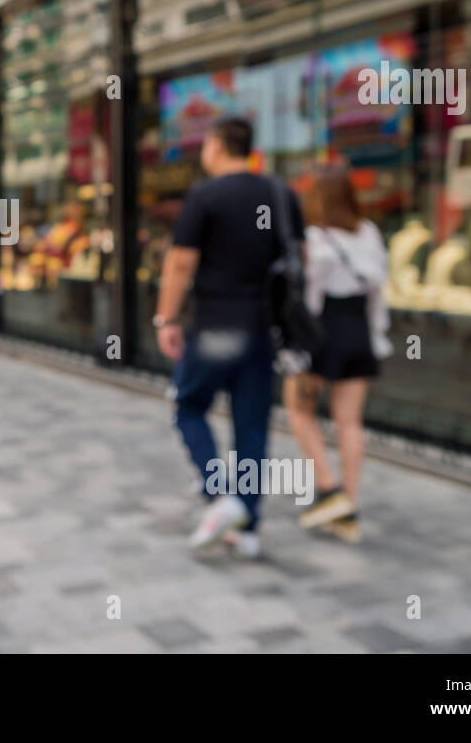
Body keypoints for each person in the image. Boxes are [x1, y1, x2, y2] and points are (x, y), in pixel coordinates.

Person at [154, 117, 304, 559]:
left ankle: (221, 498)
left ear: (217, 146)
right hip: (261, 329)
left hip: (215, 326)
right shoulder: (279, 193)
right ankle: (249, 527)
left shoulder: (206, 195)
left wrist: (166, 319)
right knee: (252, 427)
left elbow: (180, 264)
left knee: (188, 406)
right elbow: (301, 260)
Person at [282, 168, 391, 543]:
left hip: (322, 334)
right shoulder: (370, 233)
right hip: (359, 331)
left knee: (299, 409)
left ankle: (329, 491)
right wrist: (377, 337)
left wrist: (296, 344)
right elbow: (379, 294)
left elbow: (308, 299)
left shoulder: (315, 239)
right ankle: (350, 502)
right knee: (350, 422)